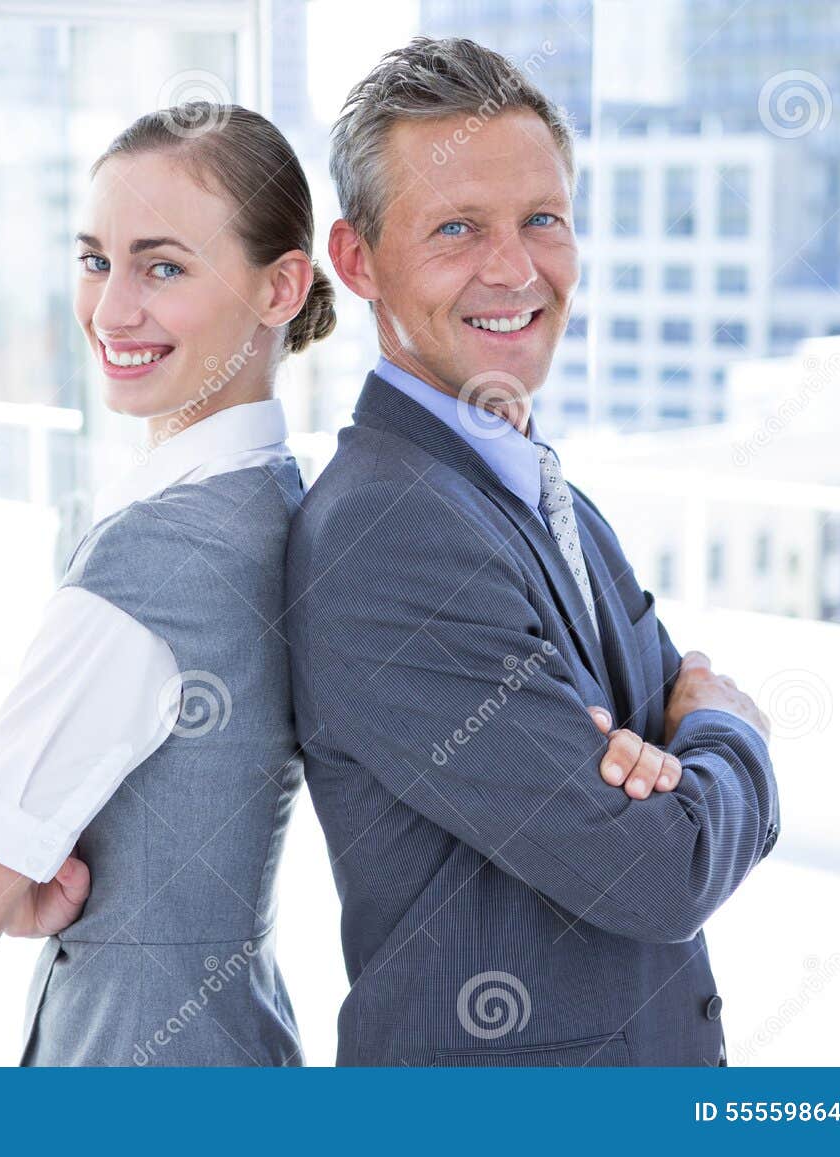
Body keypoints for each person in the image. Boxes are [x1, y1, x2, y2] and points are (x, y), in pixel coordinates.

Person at [285, 37, 780, 1067]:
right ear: (357, 260)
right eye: (456, 228)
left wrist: (670, 760)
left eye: (541, 220)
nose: (513, 269)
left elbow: (662, 766)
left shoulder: (542, 483)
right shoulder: (388, 536)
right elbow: (661, 866)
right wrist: (728, 734)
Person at [0, 102, 335, 1067]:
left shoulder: (146, 569)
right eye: (96, 259)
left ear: (281, 289)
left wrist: (19, 904)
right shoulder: (283, 499)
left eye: (164, 266)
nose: (110, 310)